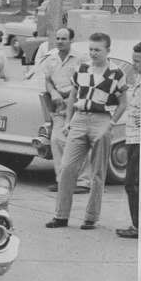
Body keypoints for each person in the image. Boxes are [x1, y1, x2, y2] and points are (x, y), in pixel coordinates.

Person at [46, 32, 129, 230]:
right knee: (67, 168)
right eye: (91, 49)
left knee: (97, 173)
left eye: (97, 50)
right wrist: (68, 121)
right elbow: (74, 94)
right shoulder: (82, 68)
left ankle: (91, 217)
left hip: (101, 120)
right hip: (79, 119)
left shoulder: (116, 73)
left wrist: (110, 124)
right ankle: (61, 216)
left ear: (107, 50)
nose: (93, 53)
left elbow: (123, 103)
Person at [36, 26, 91, 195]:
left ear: (71, 40)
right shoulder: (51, 58)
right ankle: (62, 180)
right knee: (57, 141)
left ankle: (83, 181)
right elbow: (47, 80)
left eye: (64, 39)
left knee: (78, 143)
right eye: (58, 39)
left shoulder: (80, 58)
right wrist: (53, 93)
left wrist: (67, 94)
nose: (60, 42)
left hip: (77, 106)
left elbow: (85, 81)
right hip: (58, 106)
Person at [117, 42, 141, 239]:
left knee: (132, 183)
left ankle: (138, 226)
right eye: (133, 60)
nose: (135, 64)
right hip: (131, 137)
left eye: (139, 61)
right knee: (134, 183)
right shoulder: (138, 80)